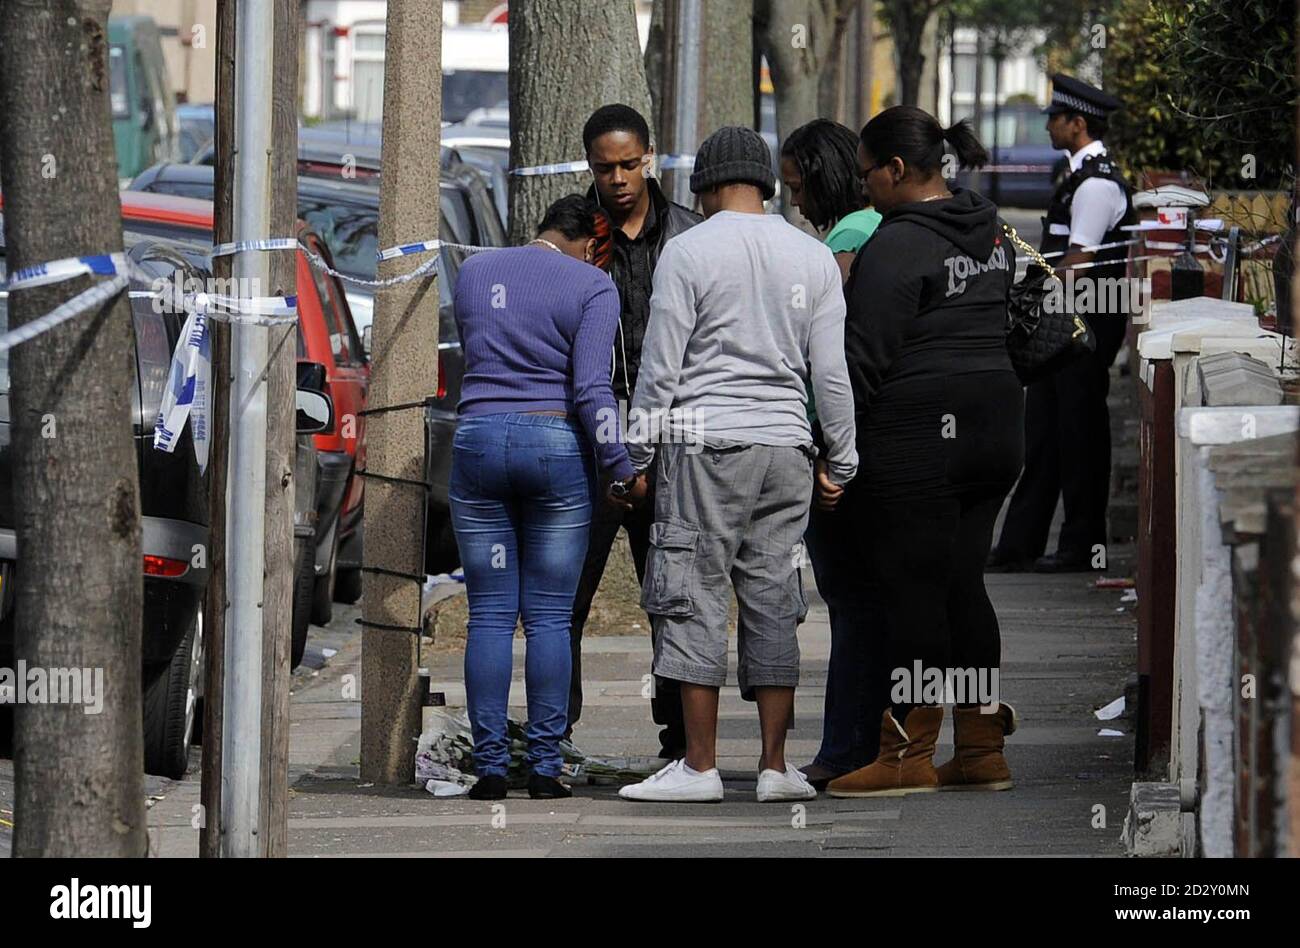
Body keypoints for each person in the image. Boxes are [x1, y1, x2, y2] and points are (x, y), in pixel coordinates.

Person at [616, 126, 858, 803]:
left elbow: (662, 369)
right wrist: (841, 457)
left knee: (692, 592)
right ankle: (778, 768)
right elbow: (829, 374)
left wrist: (633, 454)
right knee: (773, 598)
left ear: (707, 183)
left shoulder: (687, 252)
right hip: (787, 447)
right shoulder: (811, 256)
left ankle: (698, 766)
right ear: (765, 181)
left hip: (707, 442)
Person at [826, 107, 1022, 798]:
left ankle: (906, 754)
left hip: (920, 434)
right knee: (964, 584)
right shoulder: (990, 228)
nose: (864, 190)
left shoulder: (897, 243)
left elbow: (862, 357)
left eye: (867, 176)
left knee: (914, 590)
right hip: (997, 426)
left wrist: (834, 450)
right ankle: (979, 746)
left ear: (898, 170)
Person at [449, 194, 643, 802]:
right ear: (591, 242)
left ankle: (488, 767)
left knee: (488, 613)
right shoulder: (592, 285)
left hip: (478, 443)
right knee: (551, 617)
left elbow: (473, 353)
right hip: (553, 447)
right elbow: (592, 390)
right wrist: (619, 464)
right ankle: (543, 765)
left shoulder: (475, 271)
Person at [568, 103, 702, 759]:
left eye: (628, 164)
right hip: (589, 442)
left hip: (670, 441)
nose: (617, 178)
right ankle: (552, 734)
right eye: (604, 166)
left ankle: (679, 740)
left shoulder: (688, 233)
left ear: (648, 158)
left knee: (671, 598)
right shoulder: (573, 233)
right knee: (565, 596)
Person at [988, 74, 1136, 573]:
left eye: (1056, 117)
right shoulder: (1079, 176)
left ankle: (1081, 546)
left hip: (1083, 326)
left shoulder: (1095, 185)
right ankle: (1018, 546)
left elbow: (1079, 260)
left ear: (1077, 124)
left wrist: (1025, 294)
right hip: (1066, 321)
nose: (1048, 124)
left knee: (1080, 436)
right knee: (1045, 434)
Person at [778, 119, 887, 790]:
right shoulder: (885, 225)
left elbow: (832, 359)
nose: (794, 203)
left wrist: (826, 445)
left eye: (797, 186)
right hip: (898, 438)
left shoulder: (846, 238)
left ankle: (845, 747)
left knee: (846, 597)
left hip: (842, 444)